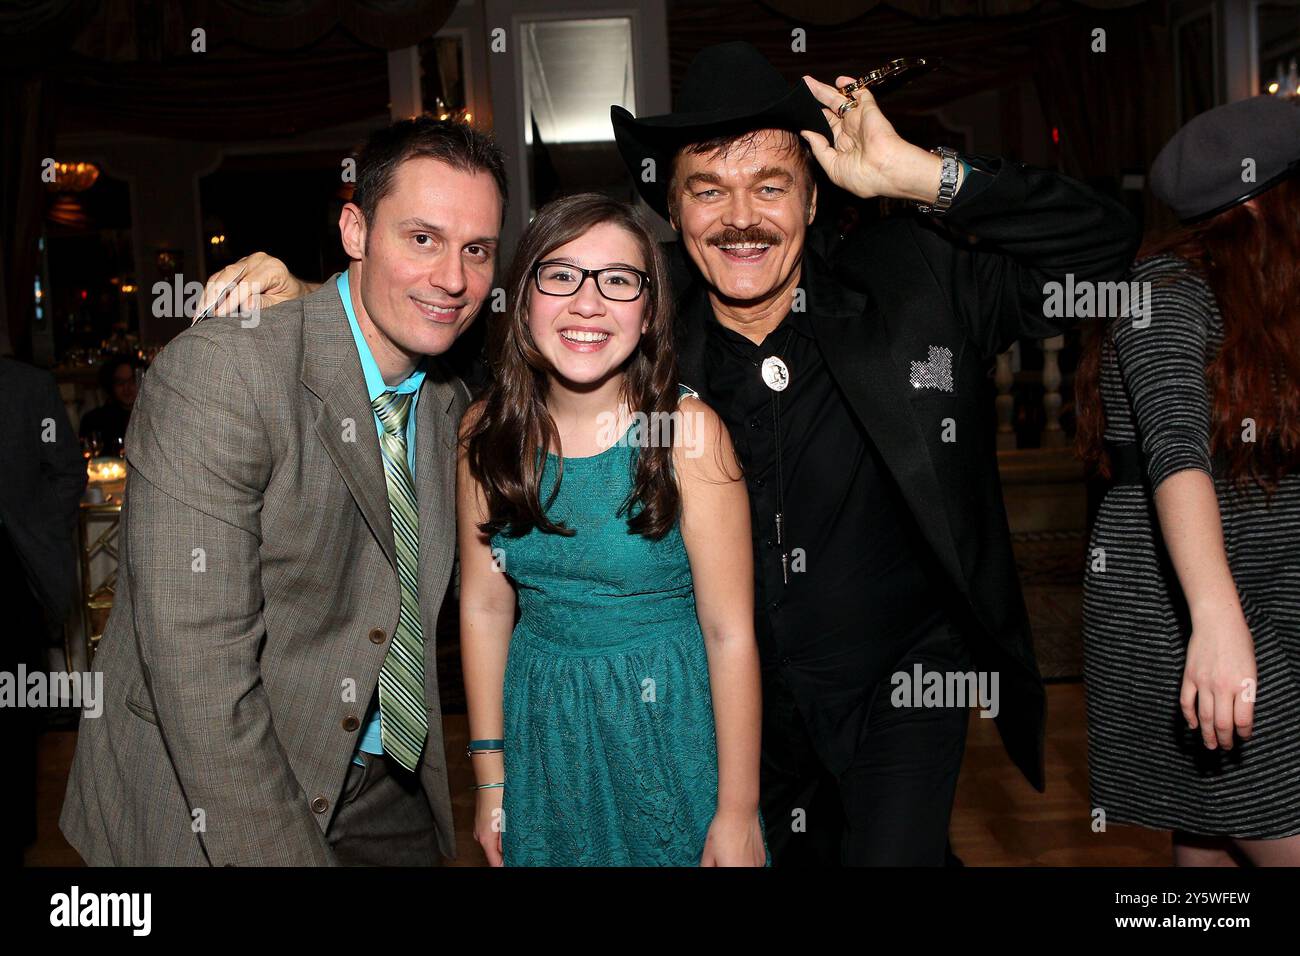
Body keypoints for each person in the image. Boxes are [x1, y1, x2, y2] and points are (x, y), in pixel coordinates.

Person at [208, 42, 1140, 865]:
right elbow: (487, 383)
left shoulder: (915, 284)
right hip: (732, 720)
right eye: (708, 189)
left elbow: (1109, 244)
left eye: (771, 185)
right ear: (675, 214)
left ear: (817, 197)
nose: (742, 217)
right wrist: (324, 306)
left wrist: (918, 176)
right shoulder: (640, 336)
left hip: (900, 686)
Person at [59, 117, 505, 865]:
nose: (452, 278)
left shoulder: (449, 406)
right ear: (355, 230)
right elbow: (200, 670)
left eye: (477, 250)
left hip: (387, 781)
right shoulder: (224, 373)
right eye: (421, 239)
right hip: (209, 793)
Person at [457, 193, 766, 866]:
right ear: (523, 297)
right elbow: (484, 607)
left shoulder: (689, 436)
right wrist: (490, 781)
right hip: (544, 739)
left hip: (668, 736)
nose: (587, 304)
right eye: (560, 275)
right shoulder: (485, 431)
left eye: (618, 281)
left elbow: (730, 632)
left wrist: (738, 812)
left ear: (650, 310)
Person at [1076, 95, 1300, 865]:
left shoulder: (1273, 308)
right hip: (1187, 608)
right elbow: (1176, 454)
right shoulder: (1161, 294)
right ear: (1275, 206)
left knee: (1209, 840)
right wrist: (1214, 620)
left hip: (1269, 593)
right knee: (1263, 818)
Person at [0, 356, 86, 865]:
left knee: (12, 722)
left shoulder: (27, 389)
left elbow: (68, 471)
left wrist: (31, 537)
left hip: (9, 581)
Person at [78, 354, 138, 456]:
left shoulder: (152, 417)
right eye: (120, 382)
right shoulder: (94, 420)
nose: (127, 388)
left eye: (132, 381)